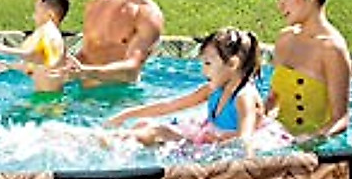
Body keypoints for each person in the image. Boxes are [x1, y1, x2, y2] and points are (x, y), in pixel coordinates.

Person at [107, 28, 265, 146]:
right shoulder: (213, 89)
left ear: (232, 64)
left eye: (208, 63)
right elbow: (171, 105)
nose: (203, 70)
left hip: (215, 147)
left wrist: (215, 139)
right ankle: (116, 142)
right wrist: (127, 114)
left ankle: (110, 142)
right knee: (143, 124)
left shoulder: (244, 97)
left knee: (158, 132)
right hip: (207, 139)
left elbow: (245, 140)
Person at [266, 0, 351, 139]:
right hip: (278, 141)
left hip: (313, 149)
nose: (280, 5)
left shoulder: (332, 49)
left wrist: (308, 142)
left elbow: (340, 119)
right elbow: (272, 101)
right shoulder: (284, 40)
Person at [0, 0, 71, 93]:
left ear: (50, 15)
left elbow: (37, 56)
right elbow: (37, 67)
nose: (33, 16)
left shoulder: (50, 31)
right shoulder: (51, 35)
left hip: (47, 100)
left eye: (37, 11)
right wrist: (9, 66)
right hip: (48, 97)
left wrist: (4, 49)